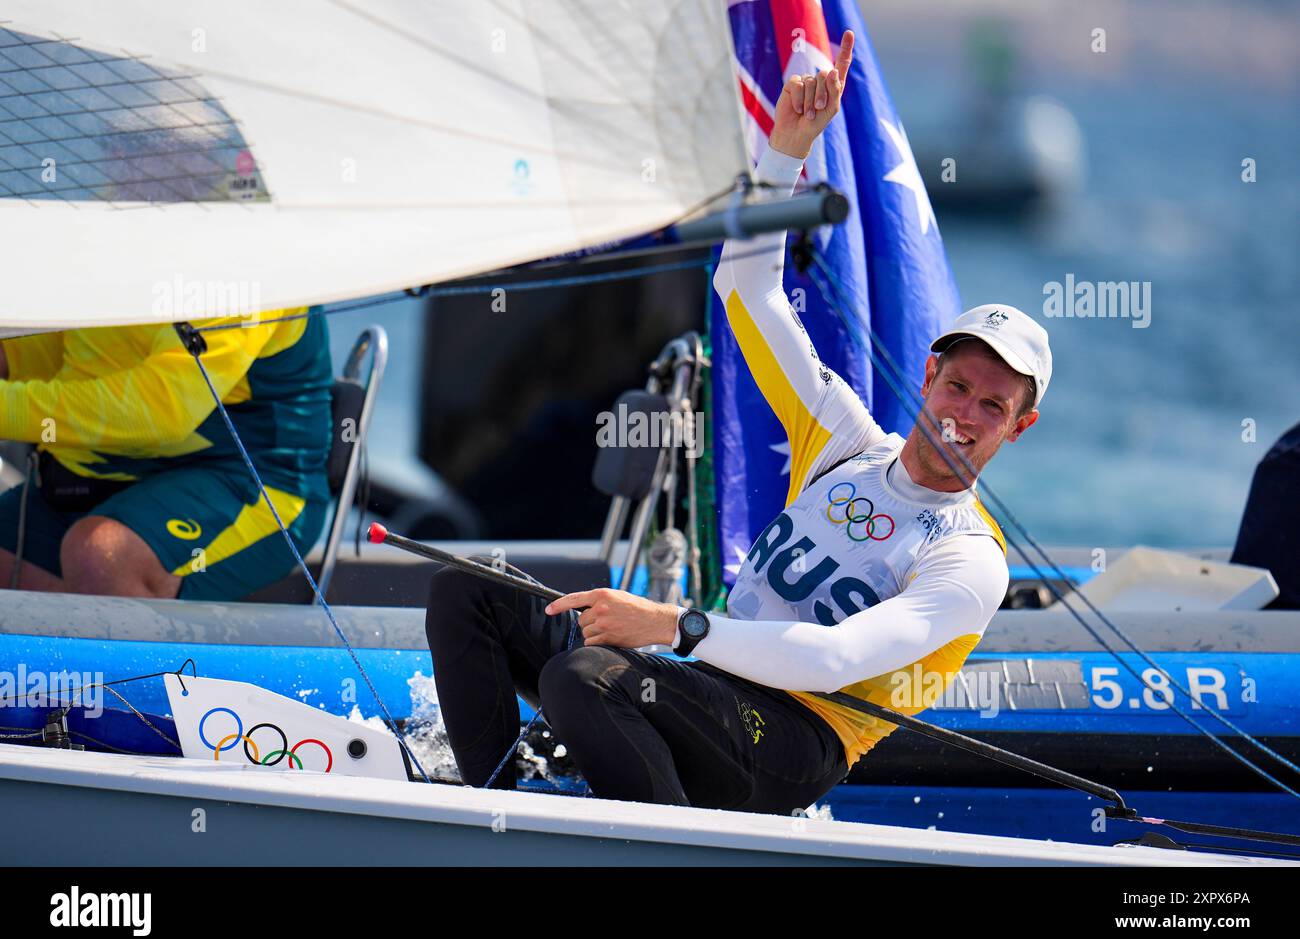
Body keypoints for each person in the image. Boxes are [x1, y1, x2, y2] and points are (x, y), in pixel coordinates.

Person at [424, 30, 1052, 812]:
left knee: (581, 676)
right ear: (929, 376)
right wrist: (785, 148)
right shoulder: (847, 441)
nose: (965, 415)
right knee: (467, 593)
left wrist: (671, 625)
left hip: (792, 736)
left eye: (992, 406)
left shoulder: (970, 560)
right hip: (702, 683)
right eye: (958, 387)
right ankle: (491, 812)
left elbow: (833, 659)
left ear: (1016, 428)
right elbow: (745, 287)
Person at [0, 309, 332, 600]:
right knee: (91, 554)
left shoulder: (243, 262)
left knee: (103, 556)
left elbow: (158, 411)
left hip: (258, 484)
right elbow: (54, 353)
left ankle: (131, 668)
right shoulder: (110, 254)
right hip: (112, 477)